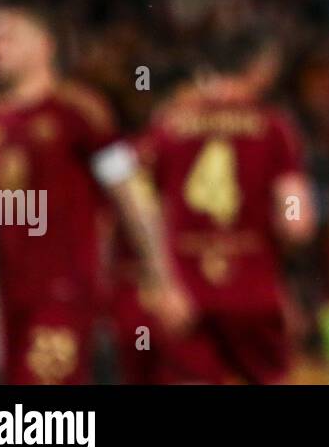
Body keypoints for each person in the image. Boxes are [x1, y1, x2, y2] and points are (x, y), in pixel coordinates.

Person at [0, 0, 190, 384]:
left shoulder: (79, 112)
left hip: (65, 295)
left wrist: (163, 278)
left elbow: (130, 193)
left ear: (43, 44)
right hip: (10, 299)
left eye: (6, 36)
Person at [122, 31, 315, 383]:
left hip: (183, 293)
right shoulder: (273, 127)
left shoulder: (170, 123)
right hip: (252, 292)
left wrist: (158, 274)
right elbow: (296, 221)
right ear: (262, 67)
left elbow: (121, 176)